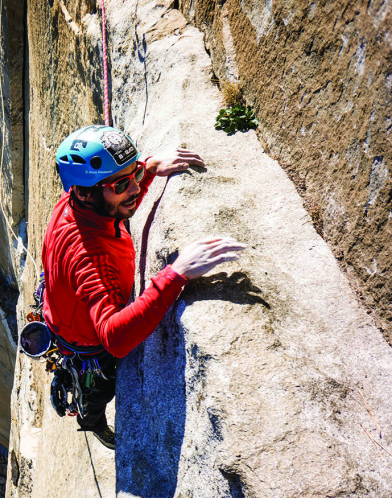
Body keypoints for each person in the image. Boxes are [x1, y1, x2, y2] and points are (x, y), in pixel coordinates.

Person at [42, 124, 245, 449]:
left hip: (62, 309)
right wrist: (176, 274)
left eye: (133, 174)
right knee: (102, 388)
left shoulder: (77, 203)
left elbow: (116, 207)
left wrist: (148, 168)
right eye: (122, 183)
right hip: (84, 342)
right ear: (84, 191)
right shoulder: (89, 256)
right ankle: (90, 420)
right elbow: (115, 339)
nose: (135, 188)